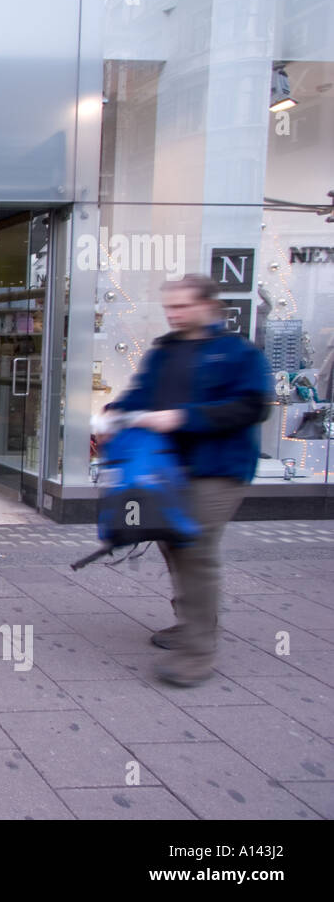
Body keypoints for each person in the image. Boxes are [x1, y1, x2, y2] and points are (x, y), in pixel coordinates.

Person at [106, 274, 270, 687]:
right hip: (168, 467)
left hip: (219, 468)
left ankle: (198, 652)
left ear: (208, 305)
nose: (173, 314)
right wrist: (115, 412)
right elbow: (140, 394)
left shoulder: (236, 353)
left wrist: (184, 417)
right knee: (170, 540)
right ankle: (192, 622)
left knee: (193, 547)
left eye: (182, 306)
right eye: (169, 307)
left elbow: (253, 407)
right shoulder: (165, 350)